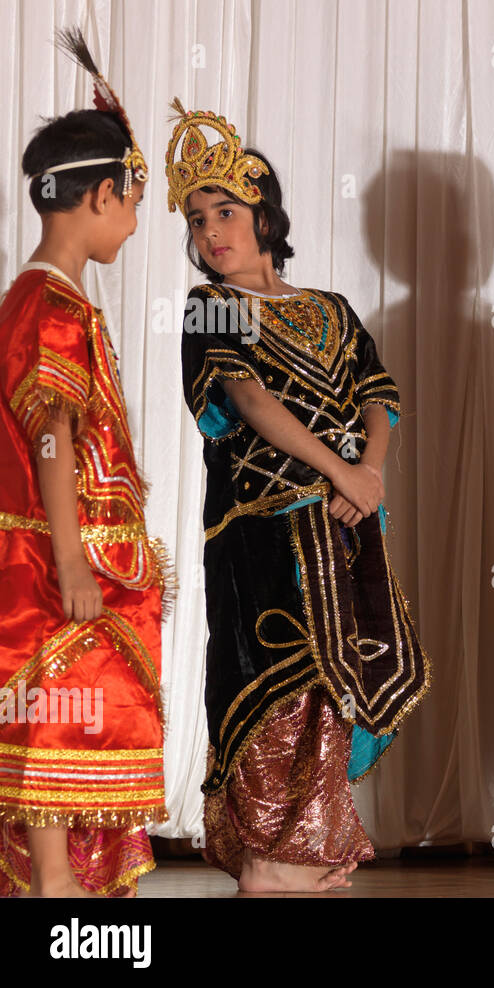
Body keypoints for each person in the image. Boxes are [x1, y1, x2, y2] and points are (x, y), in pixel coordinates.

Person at [167, 101, 430, 892]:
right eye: (195, 217)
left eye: (227, 210)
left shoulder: (333, 310)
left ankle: (307, 848)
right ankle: (267, 856)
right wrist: (339, 470)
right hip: (263, 528)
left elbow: (377, 394)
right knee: (277, 675)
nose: (212, 230)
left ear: (267, 217)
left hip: (347, 521)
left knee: (335, 681)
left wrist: (369, 472)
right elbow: (247, 401)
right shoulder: (210, 308)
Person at [0, 29, 166, 897]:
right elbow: (53, 434)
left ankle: (60, 882)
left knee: (58, 713)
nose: (137, 222)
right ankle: (57, 883)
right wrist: (70, 557)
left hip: (55, 549)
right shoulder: (52, 305)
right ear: (98, 195)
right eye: (133, 201)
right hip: (57, 554)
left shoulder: (40, 298)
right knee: (56, 717)